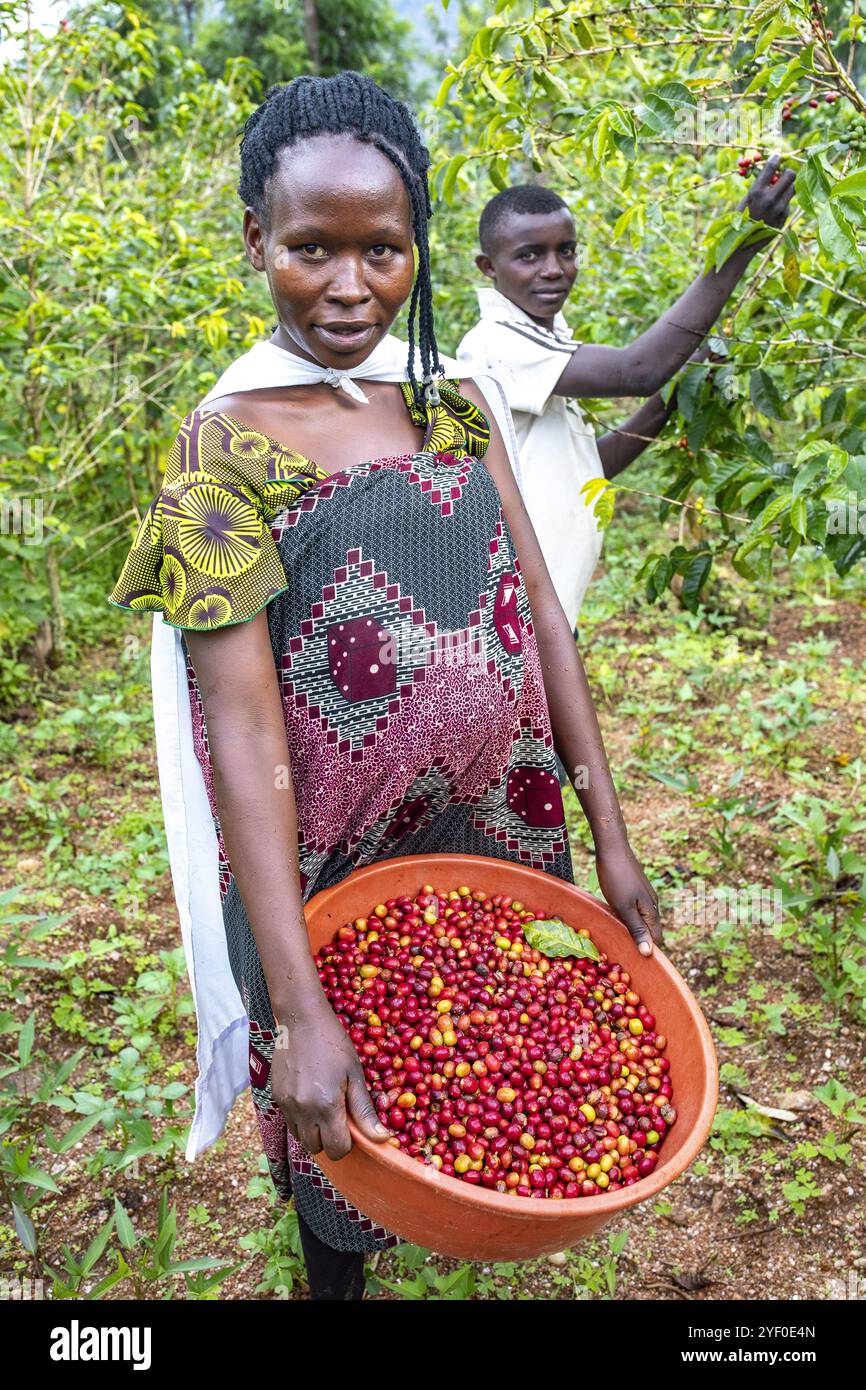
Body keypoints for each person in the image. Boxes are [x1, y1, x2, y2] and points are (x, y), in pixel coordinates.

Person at [108, 71, 662, 1300]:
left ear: (420, 247)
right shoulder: (219, 452)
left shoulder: (453, 408)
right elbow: (242, 727)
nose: (349, 286)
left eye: (383, 250)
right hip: (325, 872)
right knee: (339, 1134)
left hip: (490, 826)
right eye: (310, 249)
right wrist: (294, 1003)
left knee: (477, 1067)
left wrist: (608, 833)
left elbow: (546, 629)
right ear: (256, 240)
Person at [456, 167, 796, 632]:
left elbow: (588, 466)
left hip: (541, 614)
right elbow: (637, 370)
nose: (553, 269)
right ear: (488, 267)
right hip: (508, 619)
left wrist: (673, 393)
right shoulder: (496, 344)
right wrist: (741, 243)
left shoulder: (545, 340)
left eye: (566, 251)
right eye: (529, 256)